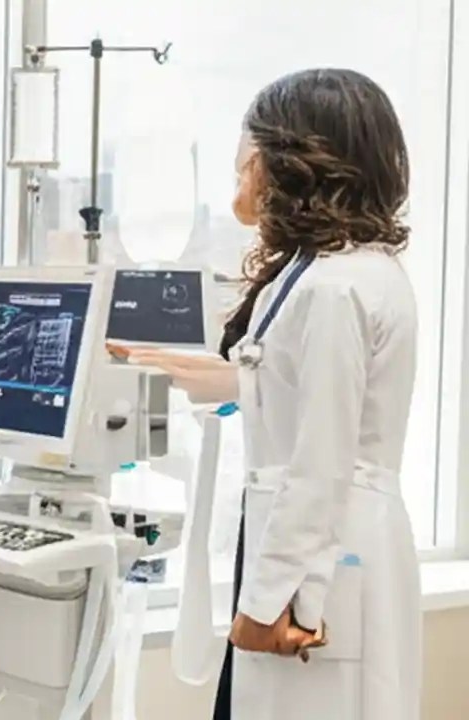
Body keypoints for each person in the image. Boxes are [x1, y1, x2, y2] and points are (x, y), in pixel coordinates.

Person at [119, 68, 421, 720]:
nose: (240, 176)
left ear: (283, 163)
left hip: (322, 555)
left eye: (243, 165)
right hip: (317, 544)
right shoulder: (345, 269)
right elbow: (301, 387)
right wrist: (211, 374)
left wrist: (266, 604)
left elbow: (321, 461)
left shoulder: (333, 286)